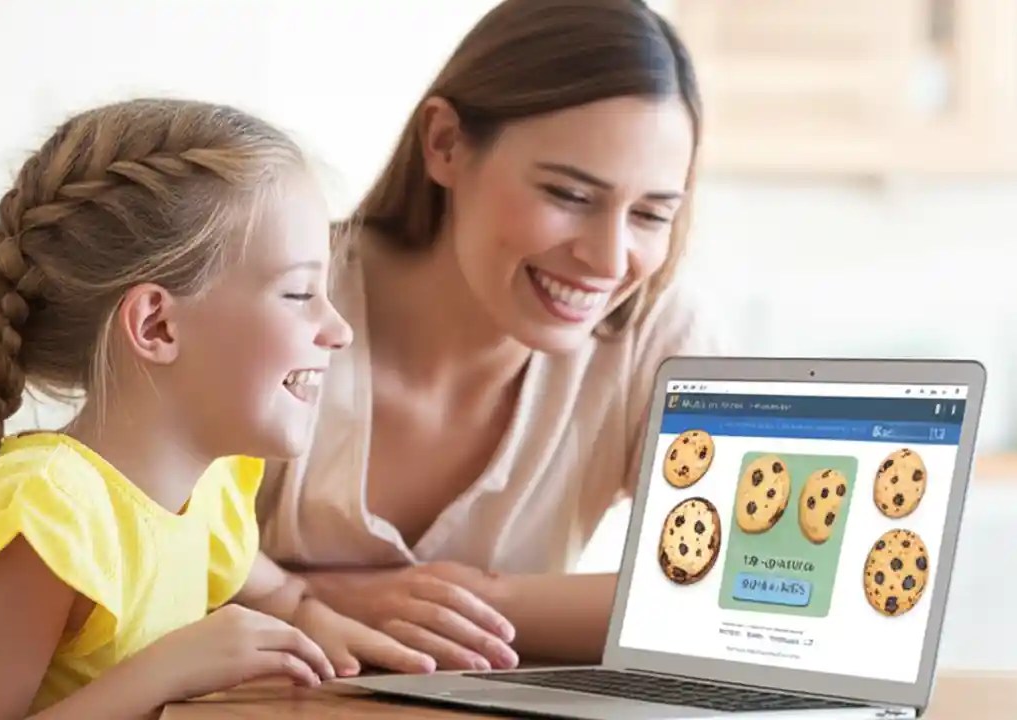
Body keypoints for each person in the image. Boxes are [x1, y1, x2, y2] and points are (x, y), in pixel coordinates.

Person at [0, 98, 432, 720]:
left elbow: (288, 597)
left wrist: (347, 641)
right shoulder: (45, 517)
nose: (338, 330)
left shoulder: (209, 492)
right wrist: (165, 671)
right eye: (300, 292)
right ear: (157, 324)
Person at [246, 0, 722, 672]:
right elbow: (134, 562)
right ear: (444, 144)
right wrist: (310, 600)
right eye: (570, 196)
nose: (611, 261)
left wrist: (459, 602)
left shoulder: (652, 335)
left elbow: (727, 602)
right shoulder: (275, 299)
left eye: (650, 213)